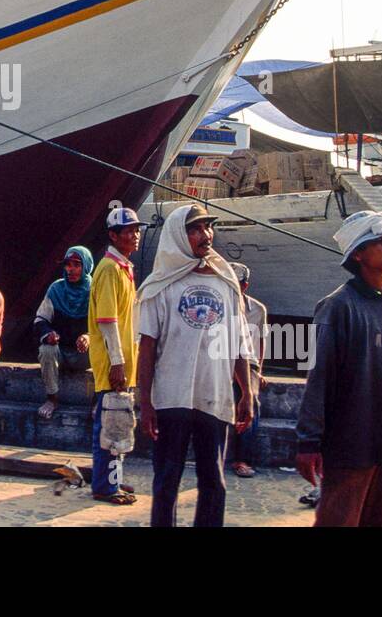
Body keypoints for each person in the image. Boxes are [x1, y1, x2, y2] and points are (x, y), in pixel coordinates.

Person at [295, 205, 382, 527]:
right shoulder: (337, 307)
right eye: (380, 242)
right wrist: (308, 442)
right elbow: (318, 380)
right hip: (349, 446)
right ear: (358, 254)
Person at [137, 204, 254, 527]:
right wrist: (145, 401)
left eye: (207, 227)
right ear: (178, 235)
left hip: (213, 397)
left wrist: (247, 392)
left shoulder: (225, 282)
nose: (206, 235)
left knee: (214, 482)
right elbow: (147, 348)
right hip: (171, 398)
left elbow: (238, 342)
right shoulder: (161, 285)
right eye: (195, 229)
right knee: (167, 481)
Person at [87, 206, 148, 506]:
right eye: (128, 231)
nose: (135, 235)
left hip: (123, 360)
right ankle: (104, 486)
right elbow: (107, 321)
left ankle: (112, 479)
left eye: (136, 230)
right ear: (113, 236)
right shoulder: (110, 269)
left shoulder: (123, 268)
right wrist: (117, 363)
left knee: (119, 422)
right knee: (110, 423)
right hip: (114, 362)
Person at [33, 246, 93, 419]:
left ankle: (98, 401)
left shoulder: (95, 289)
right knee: (46, 350)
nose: (70, 270)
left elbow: (104, 326)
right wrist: (49, 334)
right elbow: (40, 320)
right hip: (61, 353)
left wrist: (89, 337)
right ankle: (52, 398)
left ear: (86, 266)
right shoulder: (56, 289)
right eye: (68, 264)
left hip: (85, 355)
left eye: (76, 265)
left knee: (105, 350)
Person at [229, 262, 267, 479]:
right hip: (220, 359)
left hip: (248, 362)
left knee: (250, 399)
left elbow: (260, 342)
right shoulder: (218, 307)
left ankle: (242, 458)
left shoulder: (258, 309)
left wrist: (259, 370)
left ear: (245, 286)